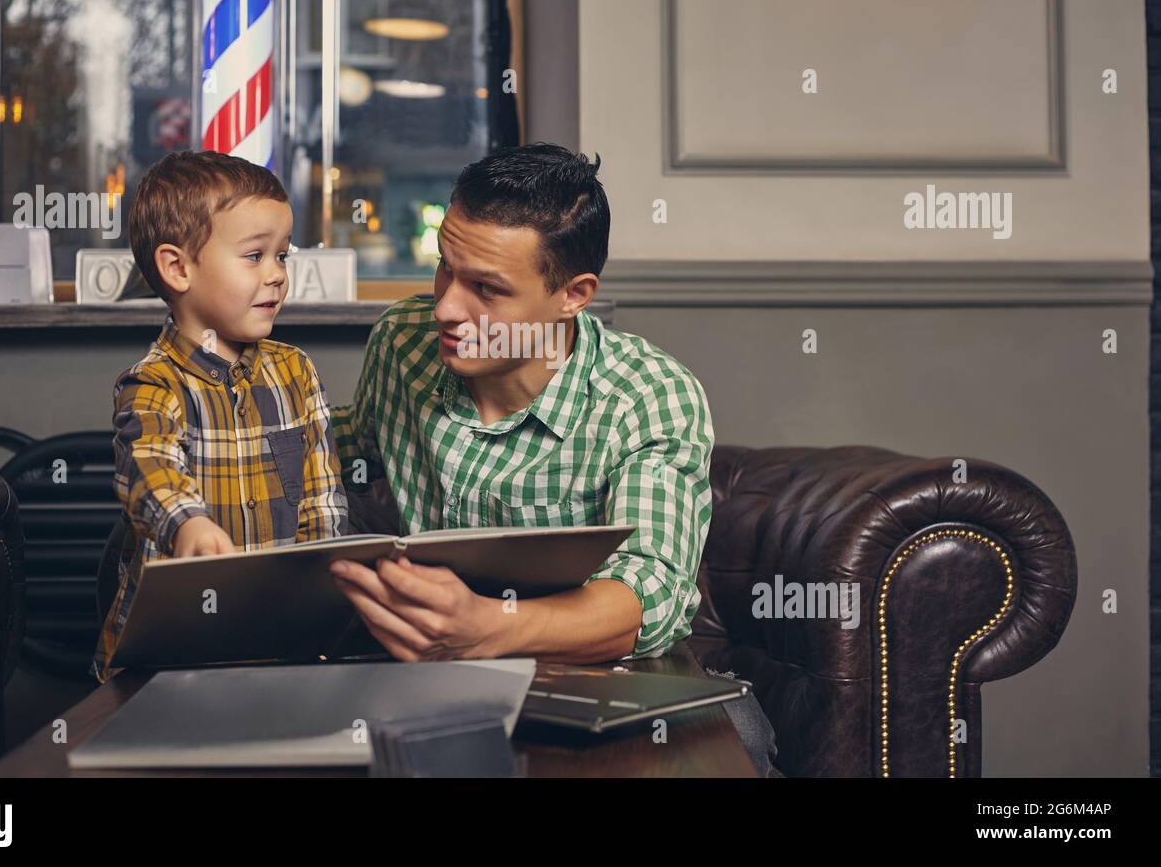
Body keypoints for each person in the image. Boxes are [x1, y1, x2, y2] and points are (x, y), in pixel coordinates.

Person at [330, 142, 777, 775]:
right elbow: (343, 448)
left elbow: (647, 591)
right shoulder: (404, 344)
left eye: (487, 288)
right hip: (425, 670)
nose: (446, 309)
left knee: (730, 751)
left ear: (573, 294)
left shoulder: (647, 394)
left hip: (609, 676)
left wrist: (488, 627)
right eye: (443, 269)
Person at [90, 150, 348, 683]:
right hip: (170, 654)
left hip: (279, 646)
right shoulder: (152, 383)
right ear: (177, 267)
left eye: (283, 256)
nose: (277, 275)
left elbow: (323, 505)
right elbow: (148, 464)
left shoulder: (296, 372)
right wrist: (188, 522)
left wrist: (325, 602)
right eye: (255, 256)